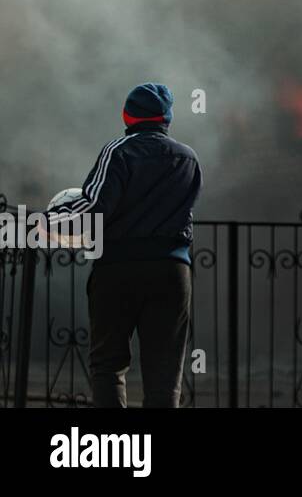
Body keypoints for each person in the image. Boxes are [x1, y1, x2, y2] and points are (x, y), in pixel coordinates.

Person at [48, 83, 202, 407]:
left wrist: (45, 222)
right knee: (164, 373)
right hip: (172, 272)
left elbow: (92, 210)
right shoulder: (188, 158)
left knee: (108, 365)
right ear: (167, 118)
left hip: (119, 268)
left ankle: (117, 450)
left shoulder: (118, 151)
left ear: (126, 116)